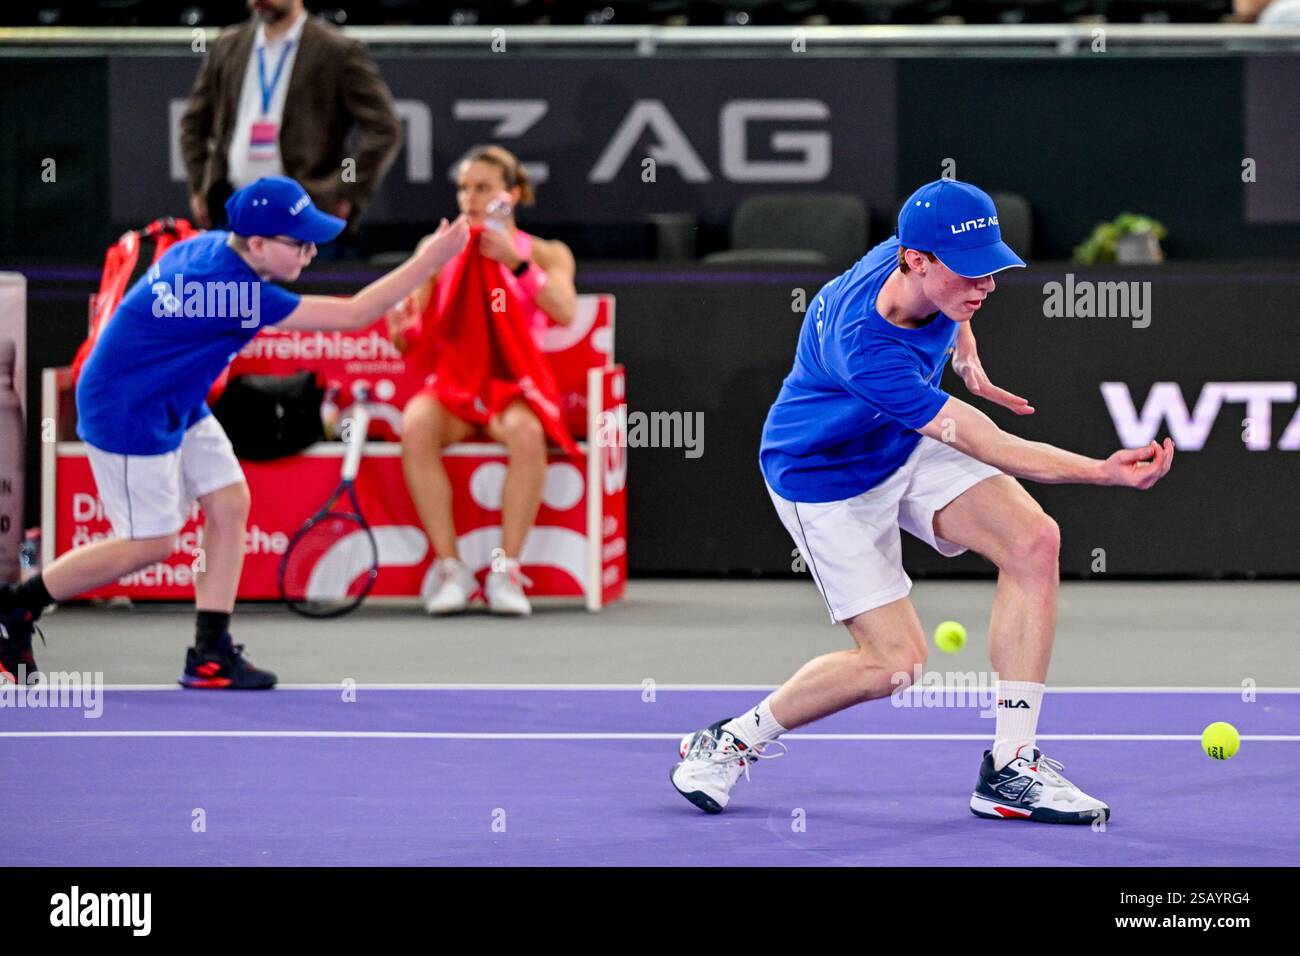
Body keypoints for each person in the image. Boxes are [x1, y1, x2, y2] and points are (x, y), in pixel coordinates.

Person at [671, 179, 1175, 823]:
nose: (985, 286)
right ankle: (733, 740)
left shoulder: (914, 256)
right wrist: (1103, 473)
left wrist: (967, 358)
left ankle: (1011, 770)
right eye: (970, 274)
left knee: (1033, 541)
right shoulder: (866, 348)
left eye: (991, 269)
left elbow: (952, 313)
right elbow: (991, 444)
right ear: (917, 261)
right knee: (894, 664)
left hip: (898, 439)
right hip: (824, 476)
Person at [0, 177, 469, 688]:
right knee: (150, 544)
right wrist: (435, 257)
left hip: (174, 394)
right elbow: (358, 314)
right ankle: (16, 607)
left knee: (228, 500)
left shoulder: (211, 247)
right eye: (301, 243)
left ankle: (209, 654)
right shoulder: (230, 293)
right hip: (127, 409)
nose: (312, 253)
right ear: (259, 244)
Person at [389, 145, 578, 617]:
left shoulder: (547, 253)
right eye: (463, 188)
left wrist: (516, 263)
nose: (469, 198)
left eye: (482, 188)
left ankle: (507, 570)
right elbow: (408, 334)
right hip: (455, 384)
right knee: (415, 426)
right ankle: (450, 568)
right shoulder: (438, 249)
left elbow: (565, 310)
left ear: (511, 195)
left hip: (514, 386)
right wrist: (399, 326)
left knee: (528, 435)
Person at [179, 0, 402, 244]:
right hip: (233, 208)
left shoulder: (337, 50)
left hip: (305, 212)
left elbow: (384, 128)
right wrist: (200, 184)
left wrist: (347, 191)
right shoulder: (227, 45)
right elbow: (193, 123)